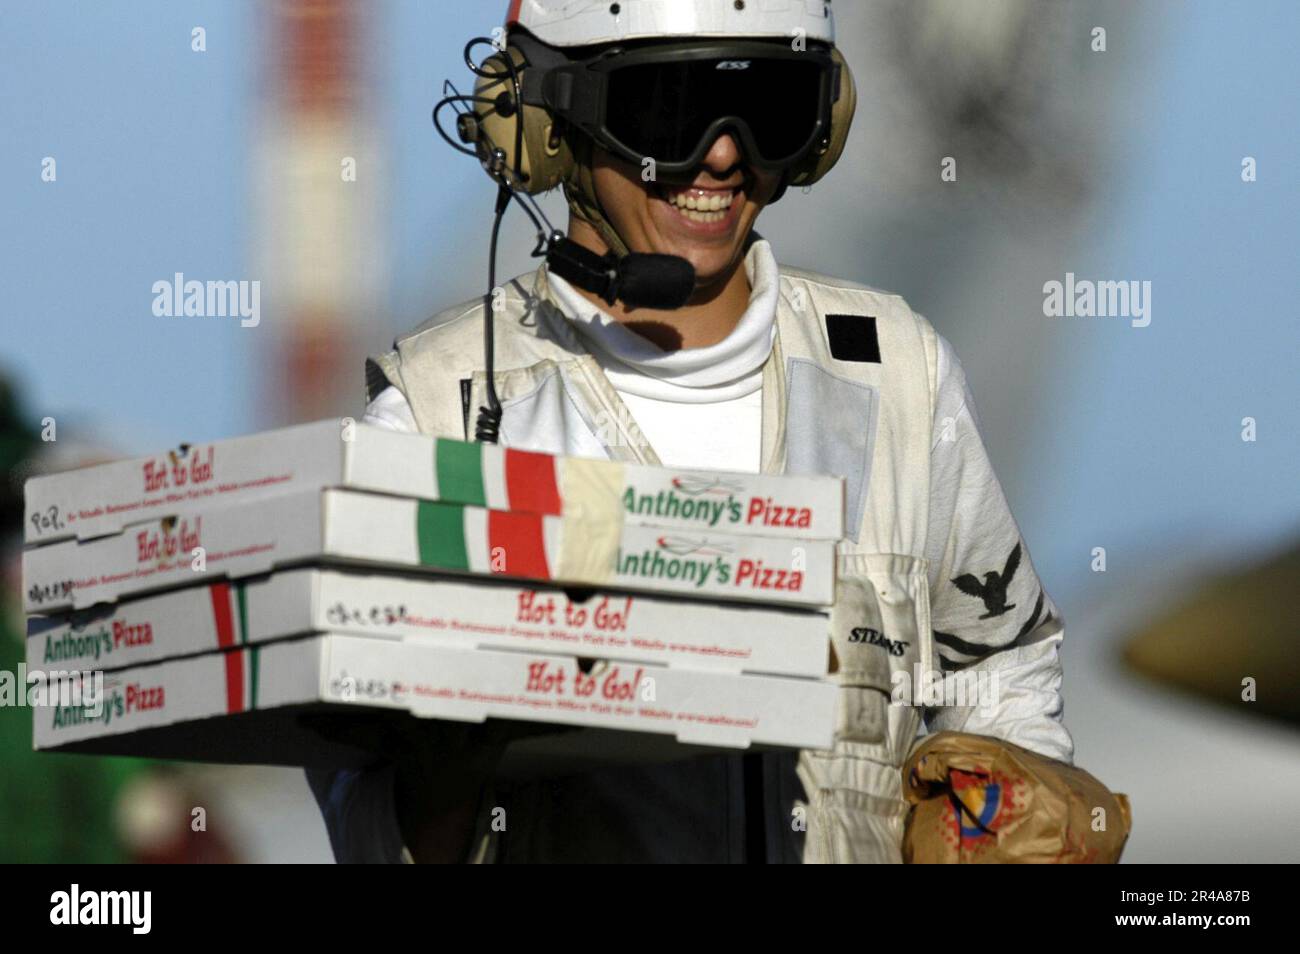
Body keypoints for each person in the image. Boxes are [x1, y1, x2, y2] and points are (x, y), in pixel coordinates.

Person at [308, 0, 1073, 864]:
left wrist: (1004, 819)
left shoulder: (899, 378)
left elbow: (1002, 668)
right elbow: (361, 813)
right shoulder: (435, 417)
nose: (720, 154)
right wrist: (443, 788)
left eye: (769, 110)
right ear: (544, 126)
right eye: (668, 111)